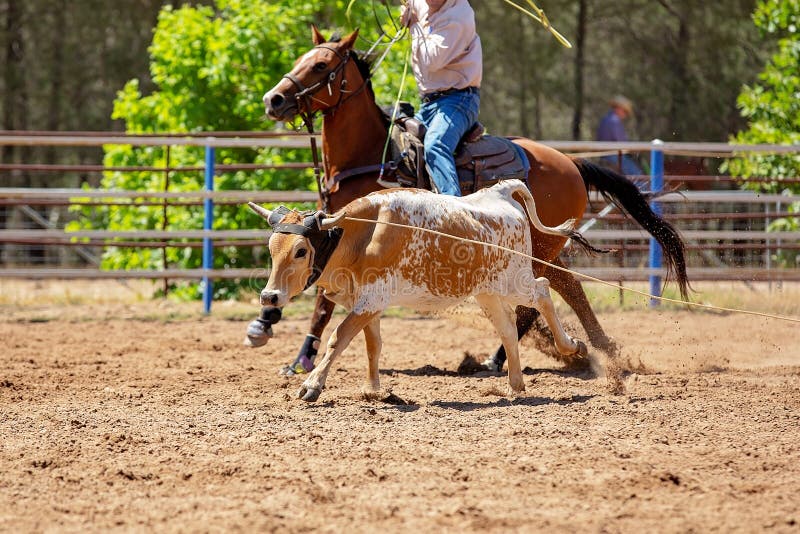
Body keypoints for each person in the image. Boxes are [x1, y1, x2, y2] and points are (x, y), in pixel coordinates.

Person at [401, 0, 482, 196]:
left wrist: (414, 24)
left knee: (436, 144)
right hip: (430, 103)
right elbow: (411, 5)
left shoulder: (460, 16)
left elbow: (432, 60)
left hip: (460, 100)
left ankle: (454, 212)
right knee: (399, 142)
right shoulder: (424, 4)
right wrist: (406, 11)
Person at [596, 95, 643, 176]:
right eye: (625, 111)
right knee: (637, 175)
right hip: (613, 155)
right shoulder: (615, 121)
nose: (625, 114)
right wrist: (635, 148)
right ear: (618, 108)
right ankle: (641, 188)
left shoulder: (605, 119)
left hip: (605, 155)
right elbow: (622, 143)